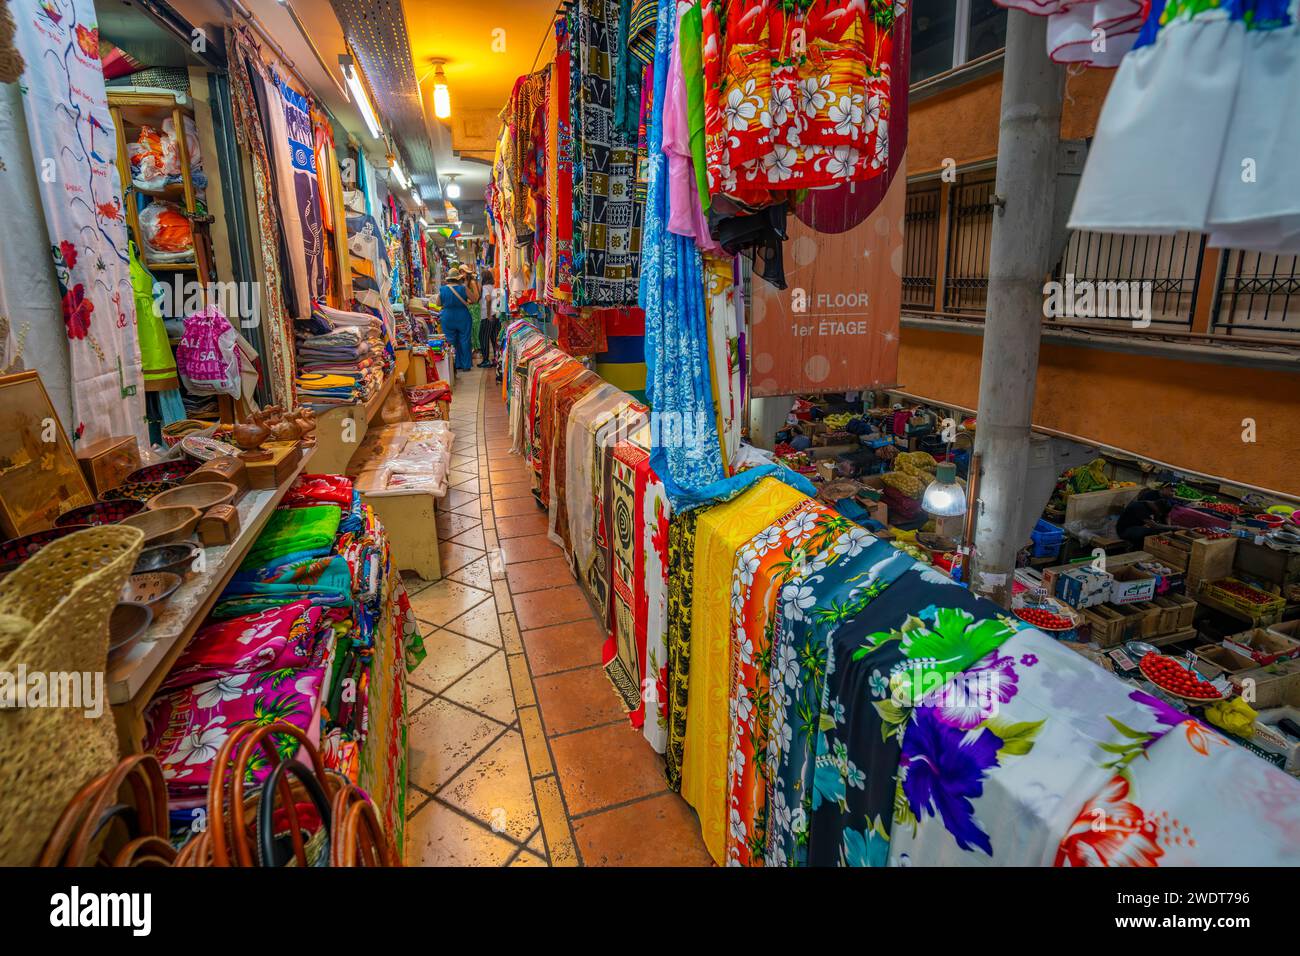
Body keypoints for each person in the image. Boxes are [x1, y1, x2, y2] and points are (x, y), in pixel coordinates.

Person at [438, 266, 475, 372]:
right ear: (458, 278)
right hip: (463, 315)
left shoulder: (443, 289)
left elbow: (438, 303)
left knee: (450, 340)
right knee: (464, 340)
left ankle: (453, 365)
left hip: (447, 316)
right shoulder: (463, 288)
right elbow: (474, 299)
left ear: (448, 279)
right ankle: (466, 365)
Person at [478, 270, 499, 368]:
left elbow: (488, 299)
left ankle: (486, 360)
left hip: (487, 317)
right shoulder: (492, 287)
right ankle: (496, 358)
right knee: (494, 338)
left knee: (483, 338)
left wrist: (488, 314)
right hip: (495, 316)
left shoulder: (485, 288)